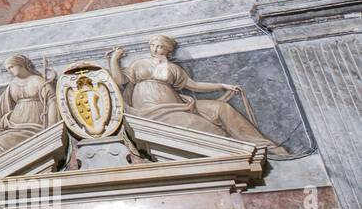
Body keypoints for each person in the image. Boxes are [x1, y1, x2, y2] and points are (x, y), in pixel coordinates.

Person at [106, 36, 279, 150]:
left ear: (168, 51)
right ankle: (235, 146)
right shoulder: (140, 64)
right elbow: (119, 80)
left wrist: (222, 85)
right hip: (152, 111)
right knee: (211, 130)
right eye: (153, 45)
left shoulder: (173, 68)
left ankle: (263, 145)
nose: (155, 49)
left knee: (221, 108)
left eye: (160, 47)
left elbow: (194, 85)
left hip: (177, 105)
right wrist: (114, 59)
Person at [0, 55, 57, 170]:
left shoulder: (38, 81)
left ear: (20, 64)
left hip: (30, 127)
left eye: (11, 67)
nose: (10, 71)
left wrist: (50, 130)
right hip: (10, 124)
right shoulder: (13, 84)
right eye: (8, 69)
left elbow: (52, 102)